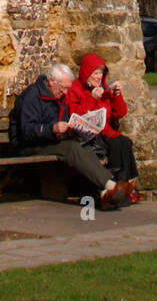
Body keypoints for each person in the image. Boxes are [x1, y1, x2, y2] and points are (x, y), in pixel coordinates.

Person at [8, 62, 130, 209]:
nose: (66, 92)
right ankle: (110, 185)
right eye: (63, 88)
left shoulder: (58, 96)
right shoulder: (31, 96)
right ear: (52, 81)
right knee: (72, 149)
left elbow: (65, 118)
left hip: (50, 141)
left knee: (83, 146)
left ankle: (104, 192)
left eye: (67, 88)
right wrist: (52, 128)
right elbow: (27, 130)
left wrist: (75, 128)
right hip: (30, 146)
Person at [65, 53, 142, 203]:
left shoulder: (104, 89)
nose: (98, 77)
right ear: (87, 73)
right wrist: (92, 99)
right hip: (87, 133)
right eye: (95, 73)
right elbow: (76, 116)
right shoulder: (76, 89)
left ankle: (125, 184)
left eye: (101, 73)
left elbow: (120, 112)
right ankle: (114, 186)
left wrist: (117, 95)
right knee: (114, 144)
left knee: (124, 142)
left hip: (104, 130)